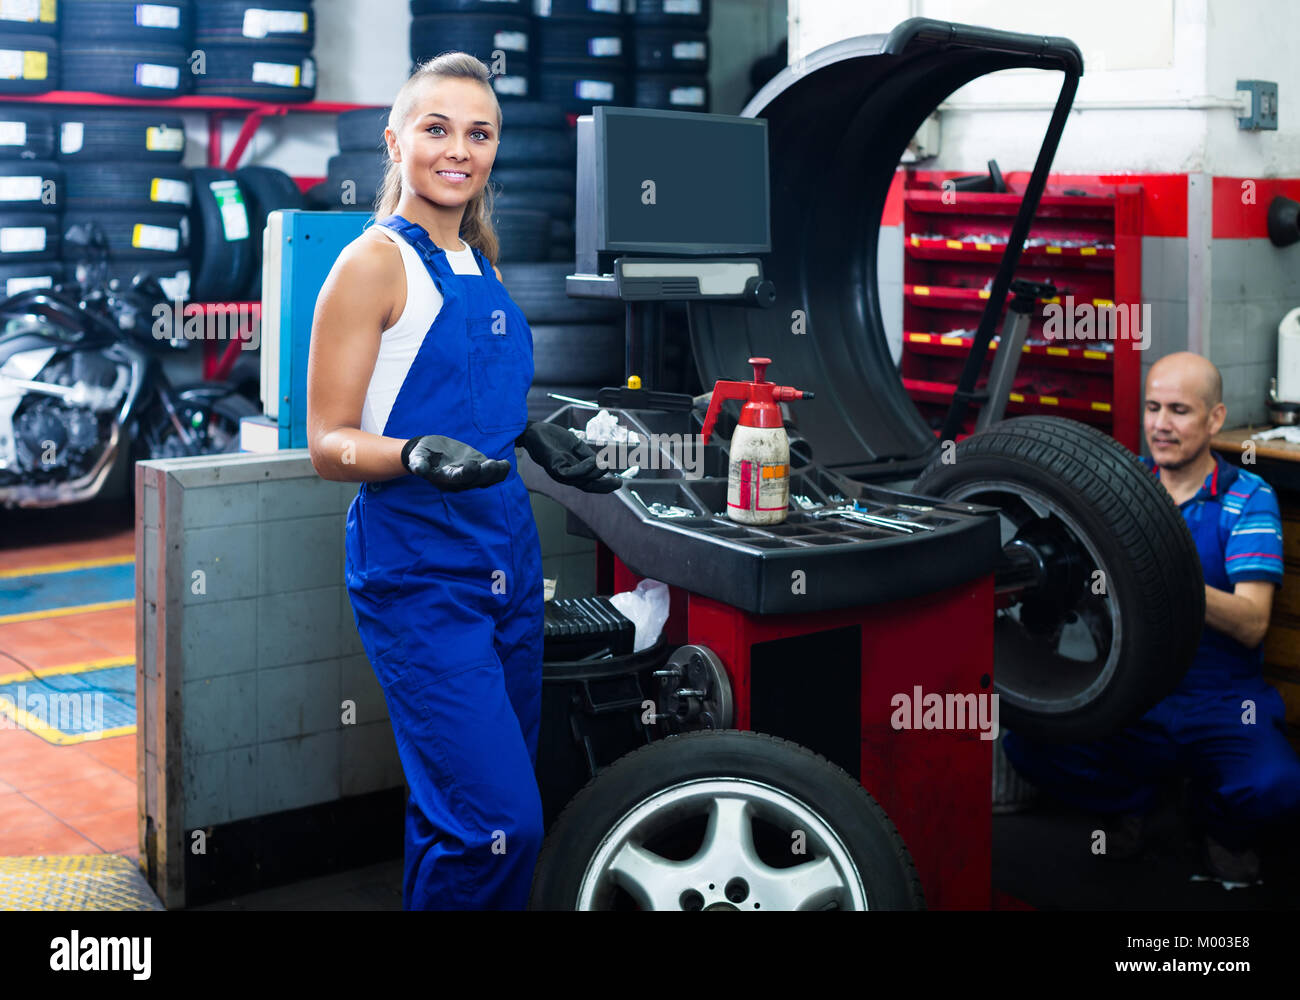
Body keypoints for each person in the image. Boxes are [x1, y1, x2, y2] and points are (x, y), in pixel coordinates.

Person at [305, 52, 621, 910]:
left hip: (506, 561)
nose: (458, 150)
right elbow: (327, 443)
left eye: (478, 133)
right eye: (437, 128)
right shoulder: (371, 264)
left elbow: (479, 396)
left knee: (460, 807)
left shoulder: (479, 256)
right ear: (395, 140)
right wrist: (411, 455)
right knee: (497, 821)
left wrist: (534, 432)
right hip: (417, 573)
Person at [1003, 352, 1300, 882]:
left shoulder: (1248, 498)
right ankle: (1131, 801)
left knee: (1274, 786)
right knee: (1028, 745)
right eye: (1153, 407)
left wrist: (1163, 576)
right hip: (1135, 690)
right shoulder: (1118, 488)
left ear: (1215, 419)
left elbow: (1253, 622)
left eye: (1180, 410)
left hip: (1222, 699)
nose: (1161, 425)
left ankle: (1217, 824)